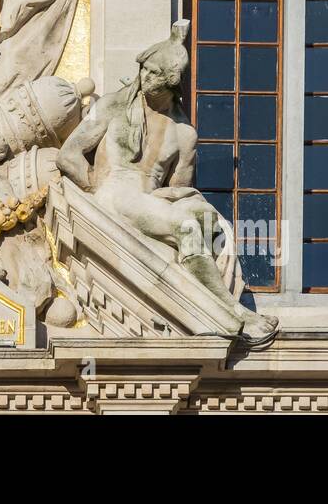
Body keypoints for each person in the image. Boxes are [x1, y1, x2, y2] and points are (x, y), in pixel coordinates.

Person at [56, 22, 278, 341]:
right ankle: (232, 311)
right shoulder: (111, 106)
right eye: (144, 70)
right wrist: (93, 192)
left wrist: (188, 204)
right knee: (186, 227)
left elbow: (178, 188)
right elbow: (69, 155)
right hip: (112, 195)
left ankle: (216, 304)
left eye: (155, 74)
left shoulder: (184, 135)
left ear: (172, 82)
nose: (145, 78)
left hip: (147, 202)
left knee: (201, 220)